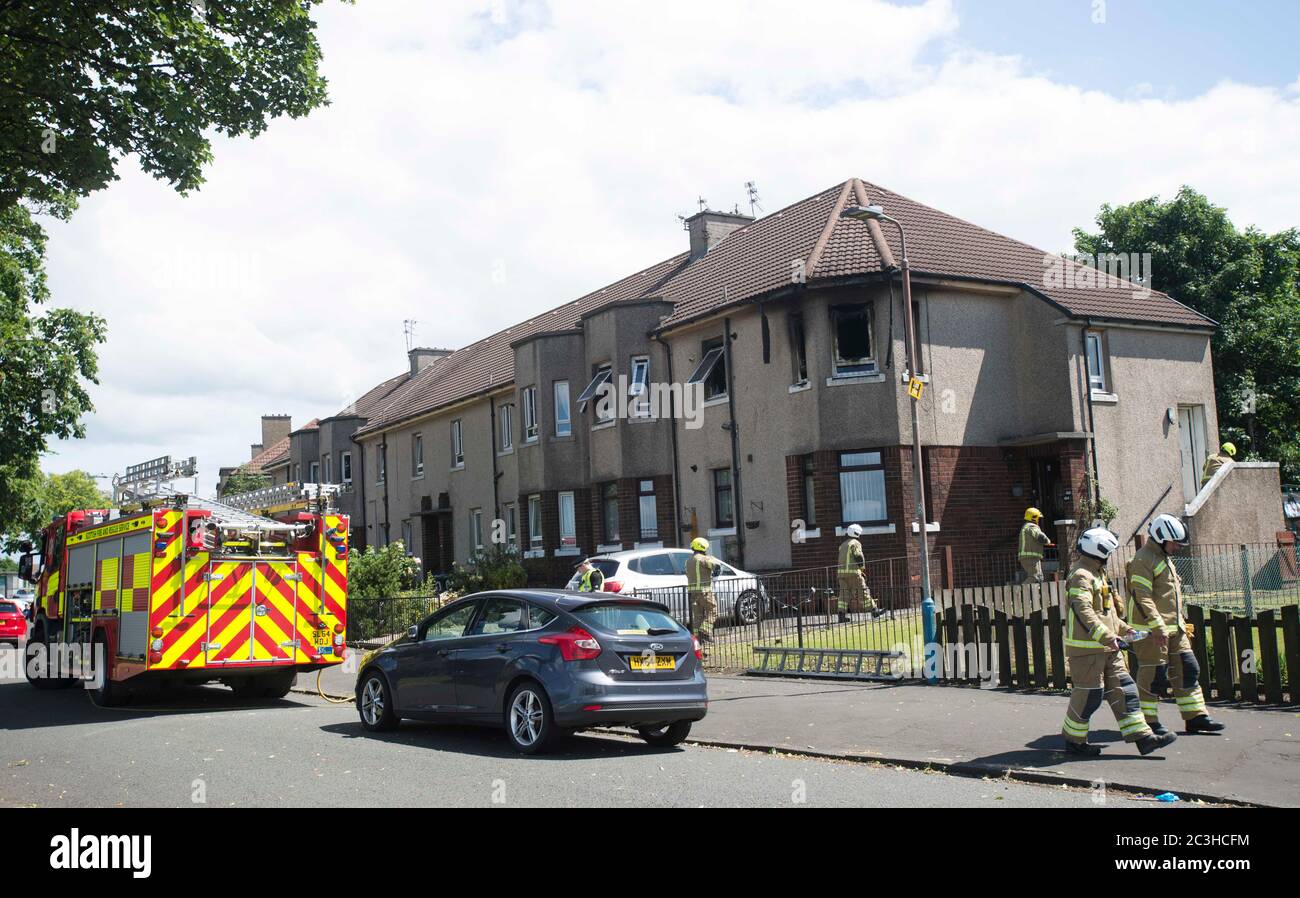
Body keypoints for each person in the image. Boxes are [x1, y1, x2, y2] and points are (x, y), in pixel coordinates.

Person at [1061, 527, 1176, 757]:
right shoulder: (1081, 575)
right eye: (1108, 551)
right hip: (1088, 652)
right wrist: (1106, 636)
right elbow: (1084, 611)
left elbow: (1107, 613)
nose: (1110, 555)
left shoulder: (1098, 573)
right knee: (1089, 696)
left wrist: (1124, 629)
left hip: (1109, 649)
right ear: (1099, 550)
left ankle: (1143, 739)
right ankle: (1074, 742)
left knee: (1126, 691)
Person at [1126, 514, 1225, 735]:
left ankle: (1196, 717)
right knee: (1153, 677)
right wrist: (1157, 626)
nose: (1177, 547)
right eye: (1175, 543)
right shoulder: (1143, 559)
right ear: (1161, 538)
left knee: (1188, 669)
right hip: (1152, 632)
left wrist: (1180, 622)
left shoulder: (1163, 557)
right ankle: (1148, 722)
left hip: (1175, 629)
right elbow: (1142, 597)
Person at [836, 524, 883, 621]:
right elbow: (859, 557)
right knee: (863, 591)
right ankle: (874, 611)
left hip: (841, 575)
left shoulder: (843, 545)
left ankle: (841, 616)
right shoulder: (855, 543)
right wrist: (861, 568)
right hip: (853, 574)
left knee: (844, 595)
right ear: (856, 533)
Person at [686, 537, 720, 642]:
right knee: (713, 610)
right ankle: (705, 632)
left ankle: (697, 640)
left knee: (698, 617)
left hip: (692, 593)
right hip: (704, 591)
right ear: (703, 547)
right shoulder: (704, 559)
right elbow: (716, 566)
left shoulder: (688, 561)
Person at [1016, 507, 1052, 583]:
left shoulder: (1026, 527)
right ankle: (1021, 592)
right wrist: (1048, 541)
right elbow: (1041, 537)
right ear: (1034, 518)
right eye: (1038, 518)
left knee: (1039, 577)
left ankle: (1036, 593)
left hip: (1029, 557)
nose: (1038, 520)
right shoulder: (1031, 526)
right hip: (1031, 557)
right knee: (1035, 577)